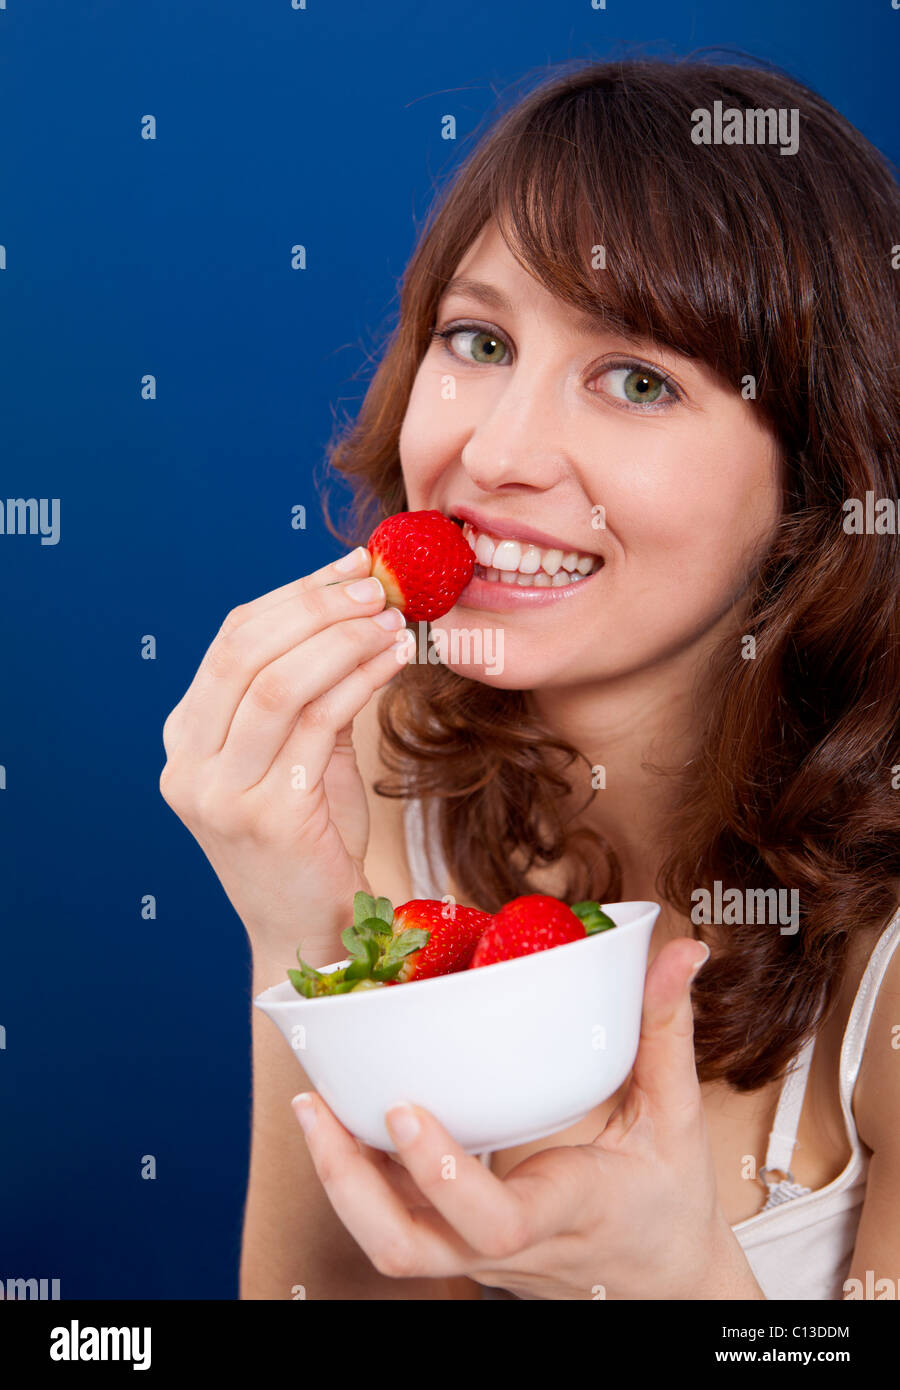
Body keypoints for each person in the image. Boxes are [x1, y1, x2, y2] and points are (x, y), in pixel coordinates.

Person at [160, 56, 900, 1299]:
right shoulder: (388, 768)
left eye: (640, 379)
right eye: (480, 339)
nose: (493, 453)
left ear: (816, 485)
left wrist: (677, 1280)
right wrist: (304, 939)